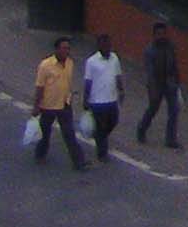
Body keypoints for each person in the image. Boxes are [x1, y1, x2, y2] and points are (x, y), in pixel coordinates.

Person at [30, 38, 87, 170]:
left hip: (64, 104)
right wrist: (36, 106)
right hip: (48, 106)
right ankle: (40, 154)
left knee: (69, 134)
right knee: (45, 134)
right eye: (63, 48)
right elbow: (40, 87)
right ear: (56, 49)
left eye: (68, 48)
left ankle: (79, 162)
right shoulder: (45, 65)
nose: (66, 51)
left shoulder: (70, 63)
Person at [135, 20, 183, 150]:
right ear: (154, 35)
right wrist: (152, 88)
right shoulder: (150, 50)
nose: (161, 36)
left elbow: (174, 64)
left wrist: (177, 80)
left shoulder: (170, 46)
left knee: (174, 110)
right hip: (157, 82)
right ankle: (142, 128)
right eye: (159, 34)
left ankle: (171, 139)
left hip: (169, 81)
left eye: (163, 33)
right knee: (153, 108)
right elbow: (150, 72)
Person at [81, 33, 124, 162]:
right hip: (97, 101)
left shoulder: (114, 58)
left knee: (113, 122)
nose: (107, 47)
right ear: (99, 46)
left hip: (111, 99)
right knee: (101, 126)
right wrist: (86, 98)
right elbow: (88, 81)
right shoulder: (91, 62)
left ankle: (99, 138)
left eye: (108, 44)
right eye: (104, 44)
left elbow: (118, 75)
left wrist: (121, 90)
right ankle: (102, 153)